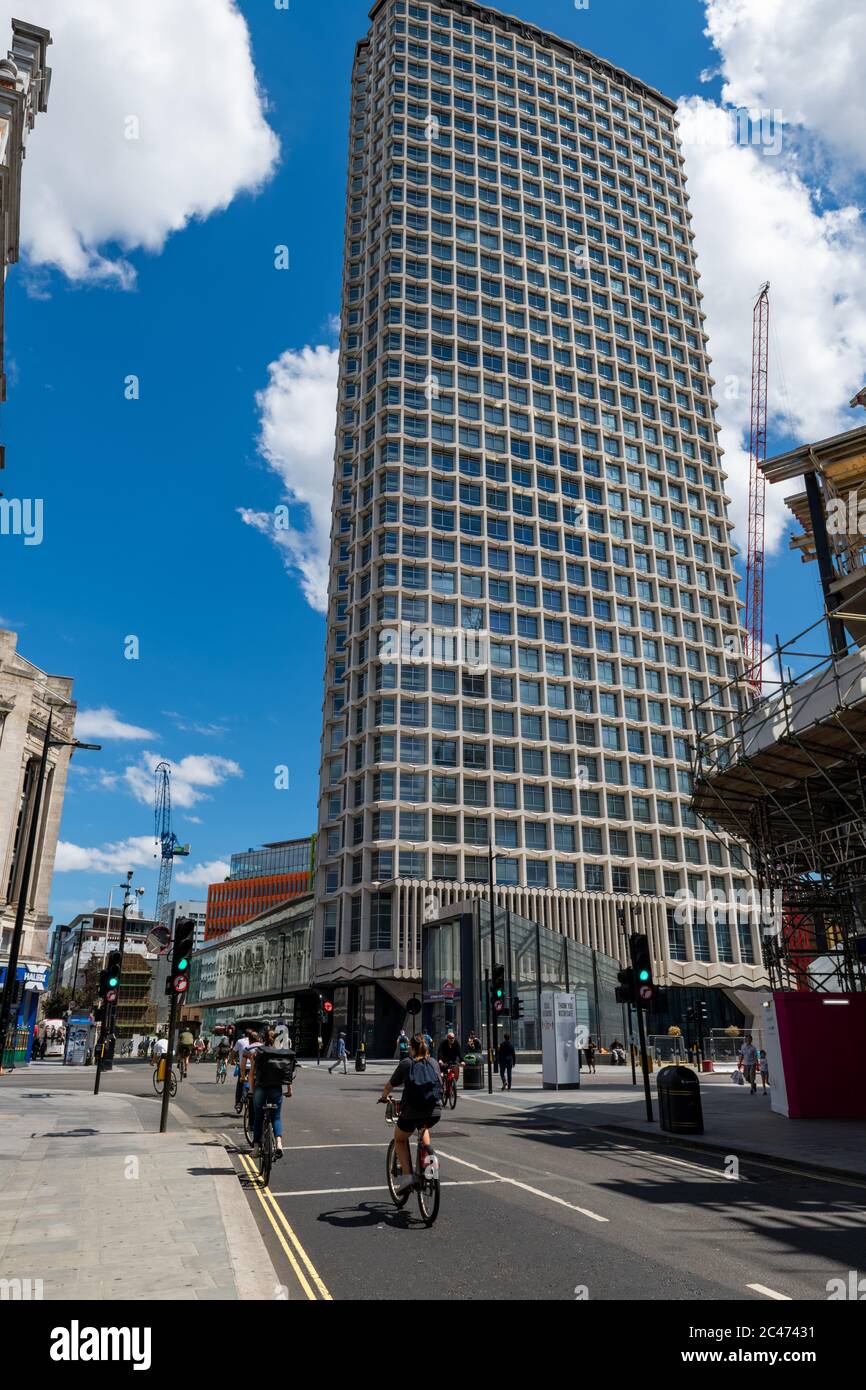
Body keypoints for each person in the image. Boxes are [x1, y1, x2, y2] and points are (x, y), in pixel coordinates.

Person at [379, 1034, 442, 1192]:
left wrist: (383, 1097)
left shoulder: (407, 1064)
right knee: (424, 1127)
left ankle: (408, 1177)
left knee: (399, 1139)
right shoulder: (433, 1063)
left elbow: (389, 1086)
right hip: (434, 1111)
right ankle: (429, 1161)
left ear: (411, 1048)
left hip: (411, 1111)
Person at [248, 1026, 296, 1158]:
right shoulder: (282, 1054)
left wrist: (251, 1090)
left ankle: (256, 1148)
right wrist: (289, 1090)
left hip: (261, 1088)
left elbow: (251, 1074)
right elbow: (287, 1074)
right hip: (276, 1089)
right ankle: (279, 1144)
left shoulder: (258, 1052)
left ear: (263, 1039)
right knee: (276, 1117)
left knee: (258, 1117)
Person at [232, 1029, 250, 1108]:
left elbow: (233, 1052)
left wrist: (232, 1060)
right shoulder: (257, 1042)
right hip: (253, 1067)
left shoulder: (240, 1041)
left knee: (240, 1084)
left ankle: (238, 1102)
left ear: (244, 1035)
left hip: (243, 1066)